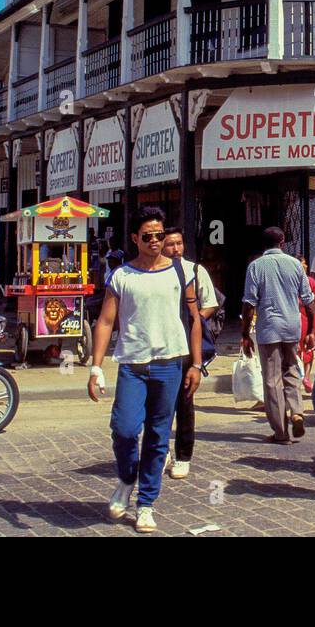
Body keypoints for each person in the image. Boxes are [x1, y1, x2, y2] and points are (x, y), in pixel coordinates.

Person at [87, 206, 203, 533]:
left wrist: (195, 364)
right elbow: (106, 321)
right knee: (124, 429)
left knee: (157, 436)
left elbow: (194, 320)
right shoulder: (122, 275)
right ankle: (126, 478)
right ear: (136, 238)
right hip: (133, 365)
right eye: (148, 236)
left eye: (160, 235)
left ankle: (146, 503)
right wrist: (96, 367)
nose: (155, 241)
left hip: (170, 365)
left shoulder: (182, 273)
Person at [241, 227, 315, 444]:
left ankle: (281, 432)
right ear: (282, 242)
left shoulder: (255, 266)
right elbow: (309, 302)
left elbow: (249, 304)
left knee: (272, 379)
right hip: (292, 327)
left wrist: (245, 333)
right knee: (292, 370)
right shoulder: (295, 264)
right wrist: (311, 329)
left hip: (269, 329)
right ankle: (296, 411)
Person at [162, 227, 219, 480]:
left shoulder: (195, 271)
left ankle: (183, 456)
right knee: (158, 402)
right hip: (160, 345)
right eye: (170, 244)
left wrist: (191, 320)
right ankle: (160, 451)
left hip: (186, 344)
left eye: (179, 243)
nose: (175, 248)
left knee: (184, 402)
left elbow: (210, 304)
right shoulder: (154, 272)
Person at [298, 255, 315, 394]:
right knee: (308, 348)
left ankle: (301, 377)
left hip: (298, 318)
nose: (306, 266)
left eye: (306, 263)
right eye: (303, 263)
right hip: (308, 318)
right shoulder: (310, 281)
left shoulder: (290, 281)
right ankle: (306, 377)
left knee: (298, 349)